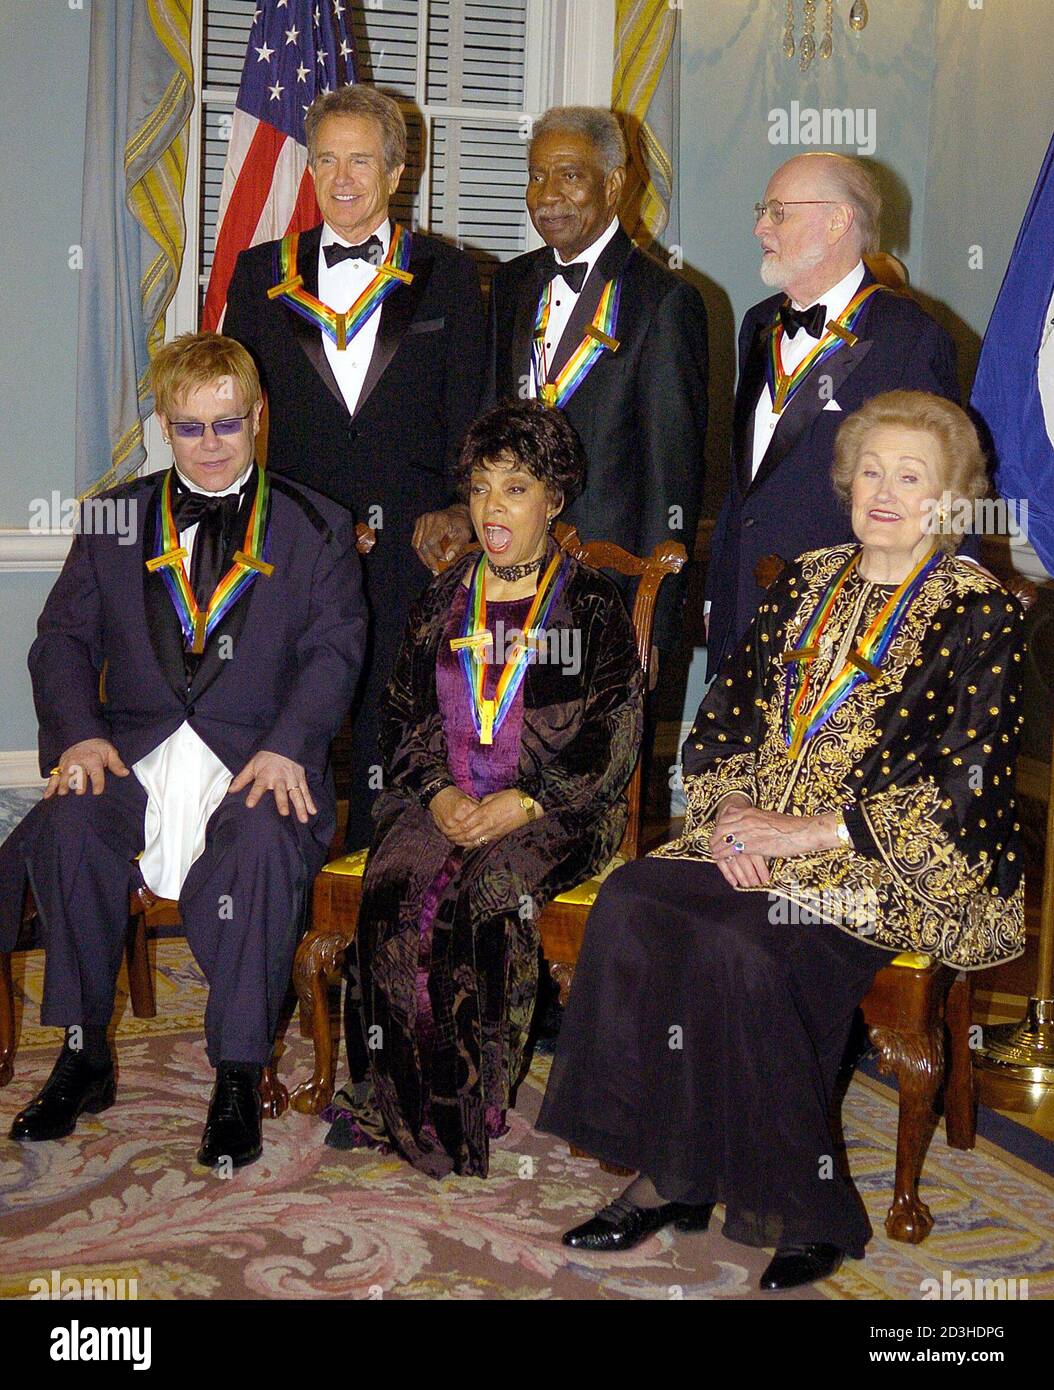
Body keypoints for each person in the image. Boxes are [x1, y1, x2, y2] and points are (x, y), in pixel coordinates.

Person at [537, 391, 1026, 1290]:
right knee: (635, 899)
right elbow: (723, 721)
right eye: (870, 471)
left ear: (951, 499)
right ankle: (671, 1173)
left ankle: (809, 1208)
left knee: (746, 942)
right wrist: (731, 818)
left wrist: (805, 834)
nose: (884, 492)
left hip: (892, 861)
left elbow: (968, 788)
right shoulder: (807, 579)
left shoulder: (977, 611)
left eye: (910, 477)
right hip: (757, 831)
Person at [0, 333, 365, 1170]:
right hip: (134, 754)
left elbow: (336, 651)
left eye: (226, 424)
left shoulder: (317, 525)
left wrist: (290, 745)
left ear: (258, 417)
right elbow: (60, 639)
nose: (209, 446)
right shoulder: (114, 517)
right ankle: (84, 1055)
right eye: (189, 428)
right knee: (68, 826)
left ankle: (236, 1074)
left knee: (265, 841)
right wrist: (79, 734)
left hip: (255, 760)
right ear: (165, 426)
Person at [323, 401, 644, 1179]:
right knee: (394, 883)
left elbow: (614, 737)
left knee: (483, 894)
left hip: (560, 808)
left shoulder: (591, 604)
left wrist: (524, 802)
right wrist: (437, 793)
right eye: (481, 488)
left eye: (516, 489)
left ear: (554, 499)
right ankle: (386, 1098)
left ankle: (471, 1101)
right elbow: (401, 715)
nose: (493, 509)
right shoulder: (443, 598)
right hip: (446, 795)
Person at [223, 85, 486, 851]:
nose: (342, 178)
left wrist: (460, 511)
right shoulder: (259, 274)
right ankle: (280, 902)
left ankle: (379, 899)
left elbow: (474, 413)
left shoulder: (449, 274)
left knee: (394, 736)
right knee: (287, 731)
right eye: (327, 160)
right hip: (296, 547)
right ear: (309, 168)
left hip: (414, 548)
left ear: (398, 170)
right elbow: (237, 420)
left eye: (361, 160)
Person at [421, 105, 708, 656]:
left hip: (610, 591)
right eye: (536, 176)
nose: (547, 195)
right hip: (506, 578)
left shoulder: (665, 302)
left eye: (570, 175)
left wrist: (651, 625)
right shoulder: (511, 284)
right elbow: (488, 427)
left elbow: (672, 478)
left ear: (614, 185)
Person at [705, 152, 962, 678]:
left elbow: (945, 492)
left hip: (845, 623)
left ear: (838, 220)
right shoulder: (758, 323)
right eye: (762, 211)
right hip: (743, 613)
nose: (760, 228)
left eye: (778, 212)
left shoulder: (908, 337)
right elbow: (745, 478)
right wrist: (718, 593)